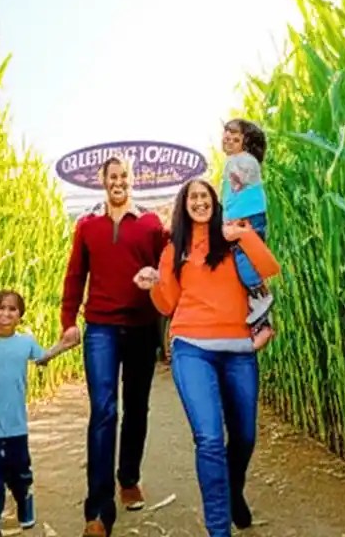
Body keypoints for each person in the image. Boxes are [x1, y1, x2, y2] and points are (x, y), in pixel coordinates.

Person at [134, 179, 280, 537]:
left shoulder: (235, 240)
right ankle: (219, 529)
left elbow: (268, 268)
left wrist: (242, 235)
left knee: (244, 436)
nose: (199, 202)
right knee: (211, 439)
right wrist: (153, 283)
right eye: (192, 197)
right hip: (192, 348)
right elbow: (168, 305)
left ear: (215, 202)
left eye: (205, 196)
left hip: (239, 350)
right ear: (184, 206)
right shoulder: (174, 249)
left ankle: (234, 492)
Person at [61, 156, 169, 537]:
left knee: (137, 406)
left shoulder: (153, 224)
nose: (118, 182)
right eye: (112, 177)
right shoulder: (87, 225)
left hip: (142, 328)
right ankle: (98, 510)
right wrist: (68, 321)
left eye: (124, 176)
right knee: (104, 411)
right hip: (101, 328)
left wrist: (158, 278)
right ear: (102, 181)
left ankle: (129, 478)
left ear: (132, 180)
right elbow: (76, 274)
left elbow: (170, 269)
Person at [0, 289, 75, 537]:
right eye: (0, 307)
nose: (5, 313)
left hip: (15, 425)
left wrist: (64, 344)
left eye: (12, 309)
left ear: (20, 315)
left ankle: (24, 497)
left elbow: (42, 358)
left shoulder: (25, 343)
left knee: (19, 470)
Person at [220, 118, 275, 350]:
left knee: (244, 261)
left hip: (247, 218)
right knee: (241, 261)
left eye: (235, 136)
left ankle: (261, 296)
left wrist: (229, 222)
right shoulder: (237, 161)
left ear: (247, 141)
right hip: (243, 218)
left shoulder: (244, 161)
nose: (228, 139)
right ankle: (256, 306)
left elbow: (237, 187)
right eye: (226, 133)